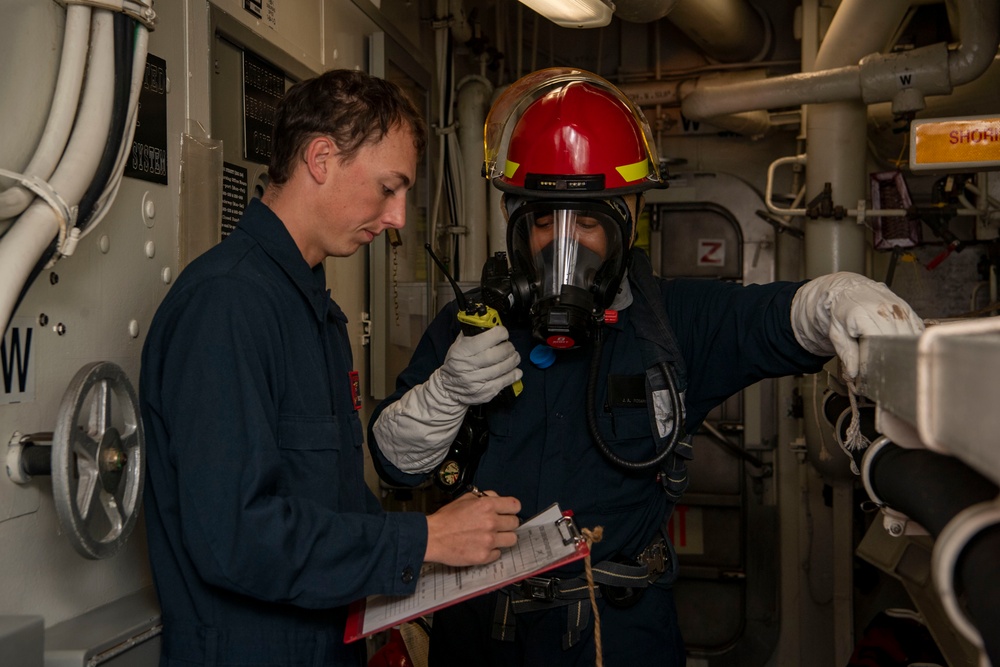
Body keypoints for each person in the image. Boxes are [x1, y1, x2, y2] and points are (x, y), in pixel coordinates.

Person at [366, 68, 925, 666]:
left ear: (627, 219)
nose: (563, 247)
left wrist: (833, 299)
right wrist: (446, 392)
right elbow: (396, 469)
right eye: (541, 222)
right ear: (513, 220)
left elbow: (774, 319)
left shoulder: (675, 324)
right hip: (483, 635)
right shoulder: (468, 328)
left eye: (585, 223)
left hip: (618, 634)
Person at [139, 69, 522, 667]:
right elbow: (236, 539)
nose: (397, 218)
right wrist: (424, 538)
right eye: (388, 189)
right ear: (321, 158)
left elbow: (330, 506)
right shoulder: (229, 305)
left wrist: (433, 555)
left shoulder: (316, 316)